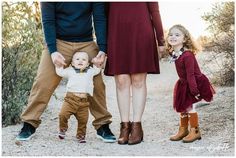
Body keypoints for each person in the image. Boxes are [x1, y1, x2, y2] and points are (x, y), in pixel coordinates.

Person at [16, 2, 116, 143]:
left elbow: (99, 17)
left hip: (86, 42)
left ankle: (103, 125)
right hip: (58, 43)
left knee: (97, 83)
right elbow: (48, 20)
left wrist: (102, 49)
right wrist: (53, 51)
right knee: (43, 82)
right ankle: (29, 123)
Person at [104, 2, 165, 145]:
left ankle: (137, 126)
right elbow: (103, 13)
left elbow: (155, 11)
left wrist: (160, 39)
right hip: (117, 32)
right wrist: (103, 43)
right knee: (121, 81)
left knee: (138, 80)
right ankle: (124, 127)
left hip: (141, 31)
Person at [166, 24, 215, 143]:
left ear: (184, 39)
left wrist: (194, 91)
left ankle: (195, 131)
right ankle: (183, 130)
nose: (173, 37)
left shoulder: (187, 55)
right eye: (171, 34)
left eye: (177, 35)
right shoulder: (176, 53)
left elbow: (191, 75)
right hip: (184, 82)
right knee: (183, 105)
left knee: (189, 107)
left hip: (194, 83)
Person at [56, 51, 101, 143]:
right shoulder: (70, 71)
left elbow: (97, 70)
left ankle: (81, 135)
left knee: (83, 120)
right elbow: (60, 72)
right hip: (70, 100)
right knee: (63, 115)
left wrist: (96, 63)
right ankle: (63, 129)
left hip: (84, 102)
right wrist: (58, 65)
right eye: (77, 59)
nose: (80, 61)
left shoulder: (90, 71)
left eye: (84, 60)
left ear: (88, 63)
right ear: (72, 63)